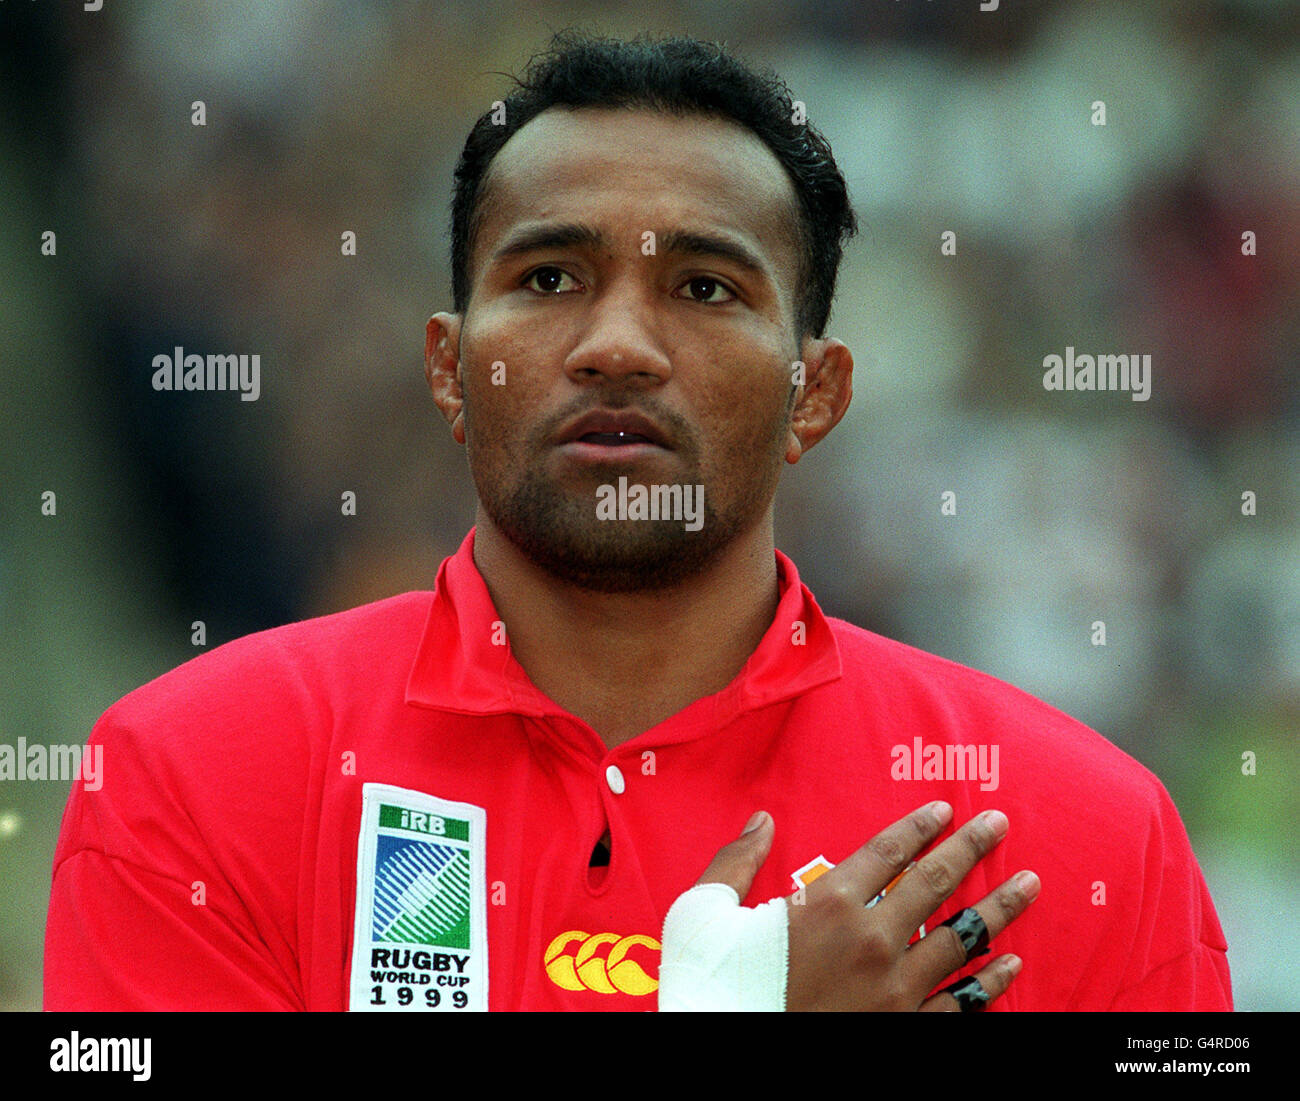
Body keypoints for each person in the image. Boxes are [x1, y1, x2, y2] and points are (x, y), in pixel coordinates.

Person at [44, 30, 1231, 1012]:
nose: (616, 344)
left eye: (705, 288)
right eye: (549, 278)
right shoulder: (199, 775)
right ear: (452, 371)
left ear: (812, 394)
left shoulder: (1081, 837)